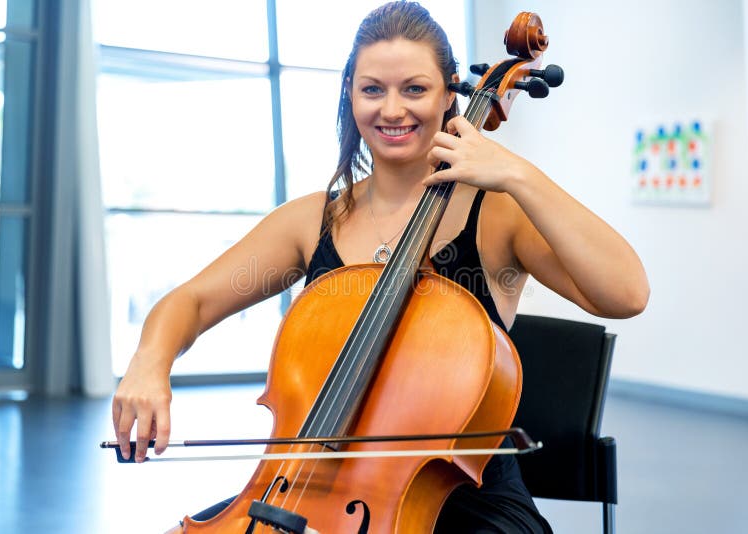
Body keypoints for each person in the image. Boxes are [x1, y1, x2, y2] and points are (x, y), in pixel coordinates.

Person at [112, 2, 649, 532]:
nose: (392, 110)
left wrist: (518, 175)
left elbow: (625, 294)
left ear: (449, 92)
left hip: (462, 500)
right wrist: (149, 361)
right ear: (350, 94)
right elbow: (192, 300)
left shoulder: (498, 216)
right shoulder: (315, 219)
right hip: (306, 485)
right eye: (373, 89)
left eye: (414, 88)